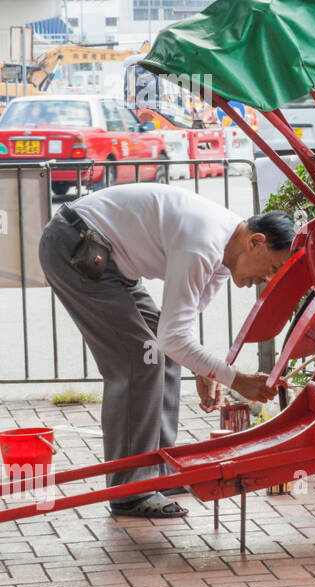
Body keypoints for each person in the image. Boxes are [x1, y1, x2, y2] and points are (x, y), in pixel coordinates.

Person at [37, 183, 292, 518]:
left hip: (107, 260)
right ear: (256, 242)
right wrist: (234, 379)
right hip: (76, 247)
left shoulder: (226, 249)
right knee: (139, 360)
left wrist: (205, 369)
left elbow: (180, 326)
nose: (268, 280)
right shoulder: (203, 244)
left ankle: (156, 471)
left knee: (161, 354)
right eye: (272, 268)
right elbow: (173, 337)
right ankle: (129, 489)